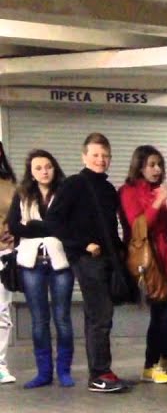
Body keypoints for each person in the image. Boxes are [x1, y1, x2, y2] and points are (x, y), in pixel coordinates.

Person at [42, 133, 128, 393]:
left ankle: (102, 370)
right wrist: (82, 245)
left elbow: (110, 227)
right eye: (95, 155)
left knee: (99, 315)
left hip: (108, 260)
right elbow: (53, 221)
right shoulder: (74, 185)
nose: (101, 160)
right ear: (84, 157)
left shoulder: (108, 188)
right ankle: (99, 374)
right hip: (87, 260)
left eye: (105, 155)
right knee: (100, 315)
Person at [7, 151, 73, 388]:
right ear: (31, 173)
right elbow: (15, 227)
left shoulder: (65, 193)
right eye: (38, 168)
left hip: (61, 262)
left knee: (63, 318)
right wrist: (48, 228)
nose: (44, 171)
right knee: (39, 320)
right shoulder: (22, 195)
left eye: (48, 167)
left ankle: (64, 371)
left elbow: (67, 228)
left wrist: (34, 225)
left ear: (54, 169)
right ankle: (44, 372)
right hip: (32, 263)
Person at [119, 145, 167, 384]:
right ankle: (156, 362)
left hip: (165, 257)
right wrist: (158, 203)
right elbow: (139, 227)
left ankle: (159, 362)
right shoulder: (128, 191)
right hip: (146, 260)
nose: (157, 169)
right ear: (140, 167)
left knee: (161, 315)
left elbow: (163, 230)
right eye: (151, 165)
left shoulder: (158, 191)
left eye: (159, 164)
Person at [0, 142, 16, 384]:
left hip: (3, 251)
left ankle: (0, 365)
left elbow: (19, 216)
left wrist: (15, 233)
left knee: (2, 312)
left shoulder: (10, 186)